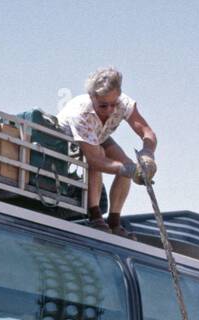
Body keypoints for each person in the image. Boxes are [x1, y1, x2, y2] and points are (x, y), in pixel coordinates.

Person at [56, 66, 158, 238]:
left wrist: (148, 153)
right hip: (70, 139)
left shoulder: (124, 104)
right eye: (103, 106)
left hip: (99, 135)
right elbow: (95, 160)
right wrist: (126, 170)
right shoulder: (80, 113)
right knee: (103, 160)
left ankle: (114, 221)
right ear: (92, 97)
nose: (110, 110)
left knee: (126, 163)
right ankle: (95, 216)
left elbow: (147, 132)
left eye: (114, 104)